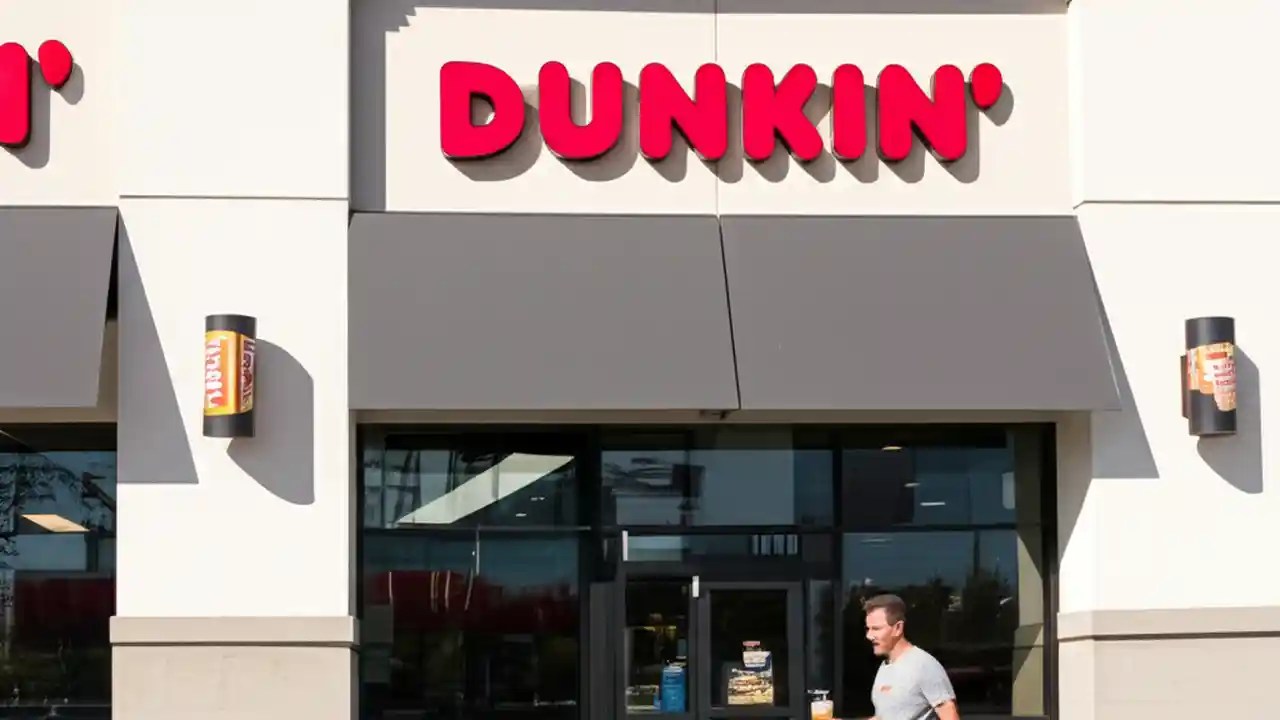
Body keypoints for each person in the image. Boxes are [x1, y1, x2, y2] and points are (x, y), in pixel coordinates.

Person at [862, 593, 960, 720]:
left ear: (898, 628)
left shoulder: (923, 665)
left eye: (876, 629)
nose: (869, 636)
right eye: (868, 629)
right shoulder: (886, 666)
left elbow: (950, 716)